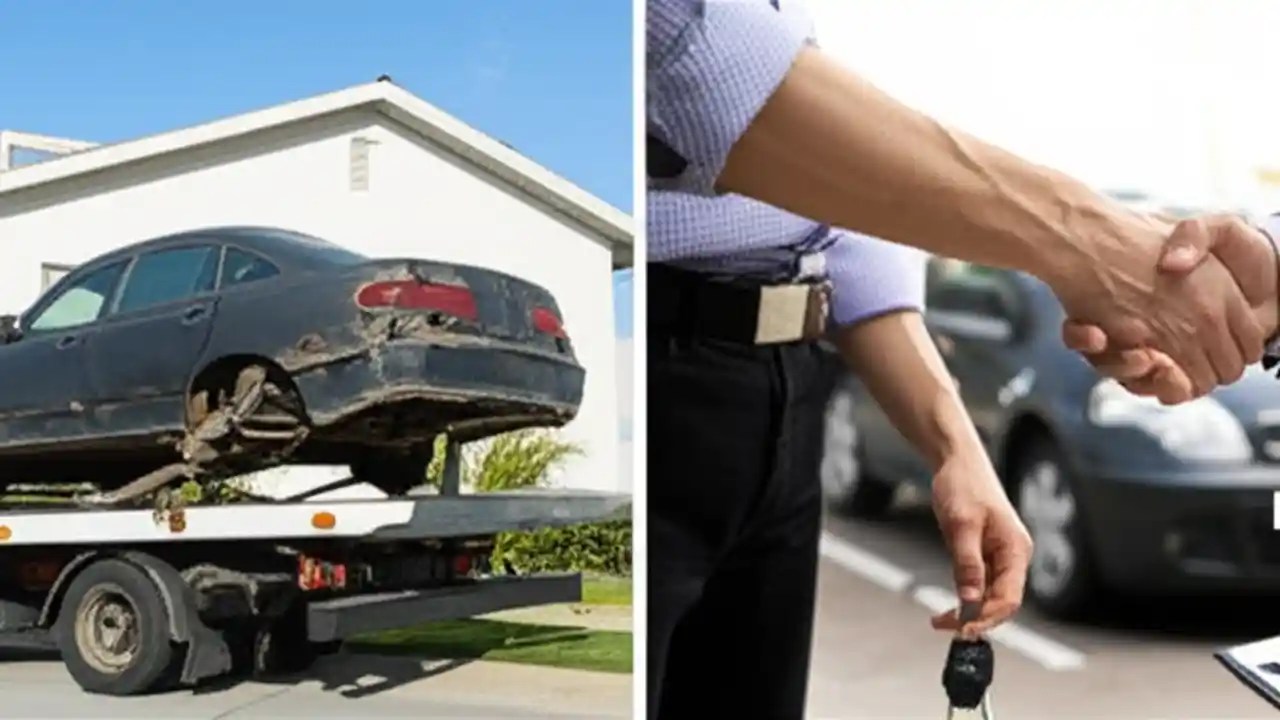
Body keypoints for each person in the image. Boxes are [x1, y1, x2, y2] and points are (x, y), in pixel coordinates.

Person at [647, 0, 1275, 398]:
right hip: (674, 360)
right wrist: (1087, 240)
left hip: (780, 382)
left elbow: (712, 72)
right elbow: (697, 64)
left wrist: (1089, 240)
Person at [648, 190, 1027, 719]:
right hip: (660, 370)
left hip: (790, 379)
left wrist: (957, 449)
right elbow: (740, 120)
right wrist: (1075, 238)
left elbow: (855, 235)